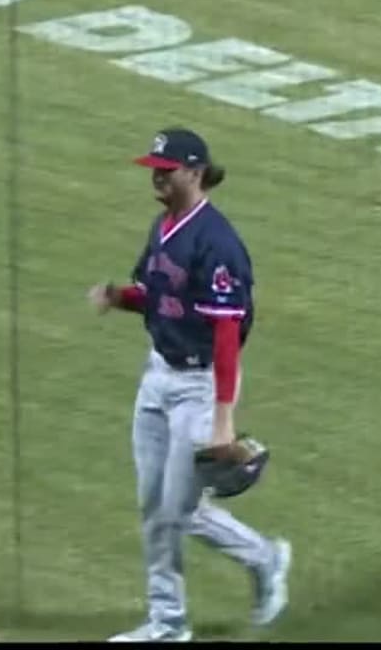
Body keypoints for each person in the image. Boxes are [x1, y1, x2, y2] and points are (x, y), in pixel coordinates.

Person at [89, 127, 292, 643]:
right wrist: (119, 297)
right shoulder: (164, 226)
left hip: (198, 384)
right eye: (153, 168)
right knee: (155, 505)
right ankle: (169, 623)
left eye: (167, 168)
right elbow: (156, 294)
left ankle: (261, 562)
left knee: (175, 509)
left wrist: (223, 417)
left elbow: (226, 332)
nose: (157, 176)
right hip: (157, 374)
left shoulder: (217, 242)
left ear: (195, 172)